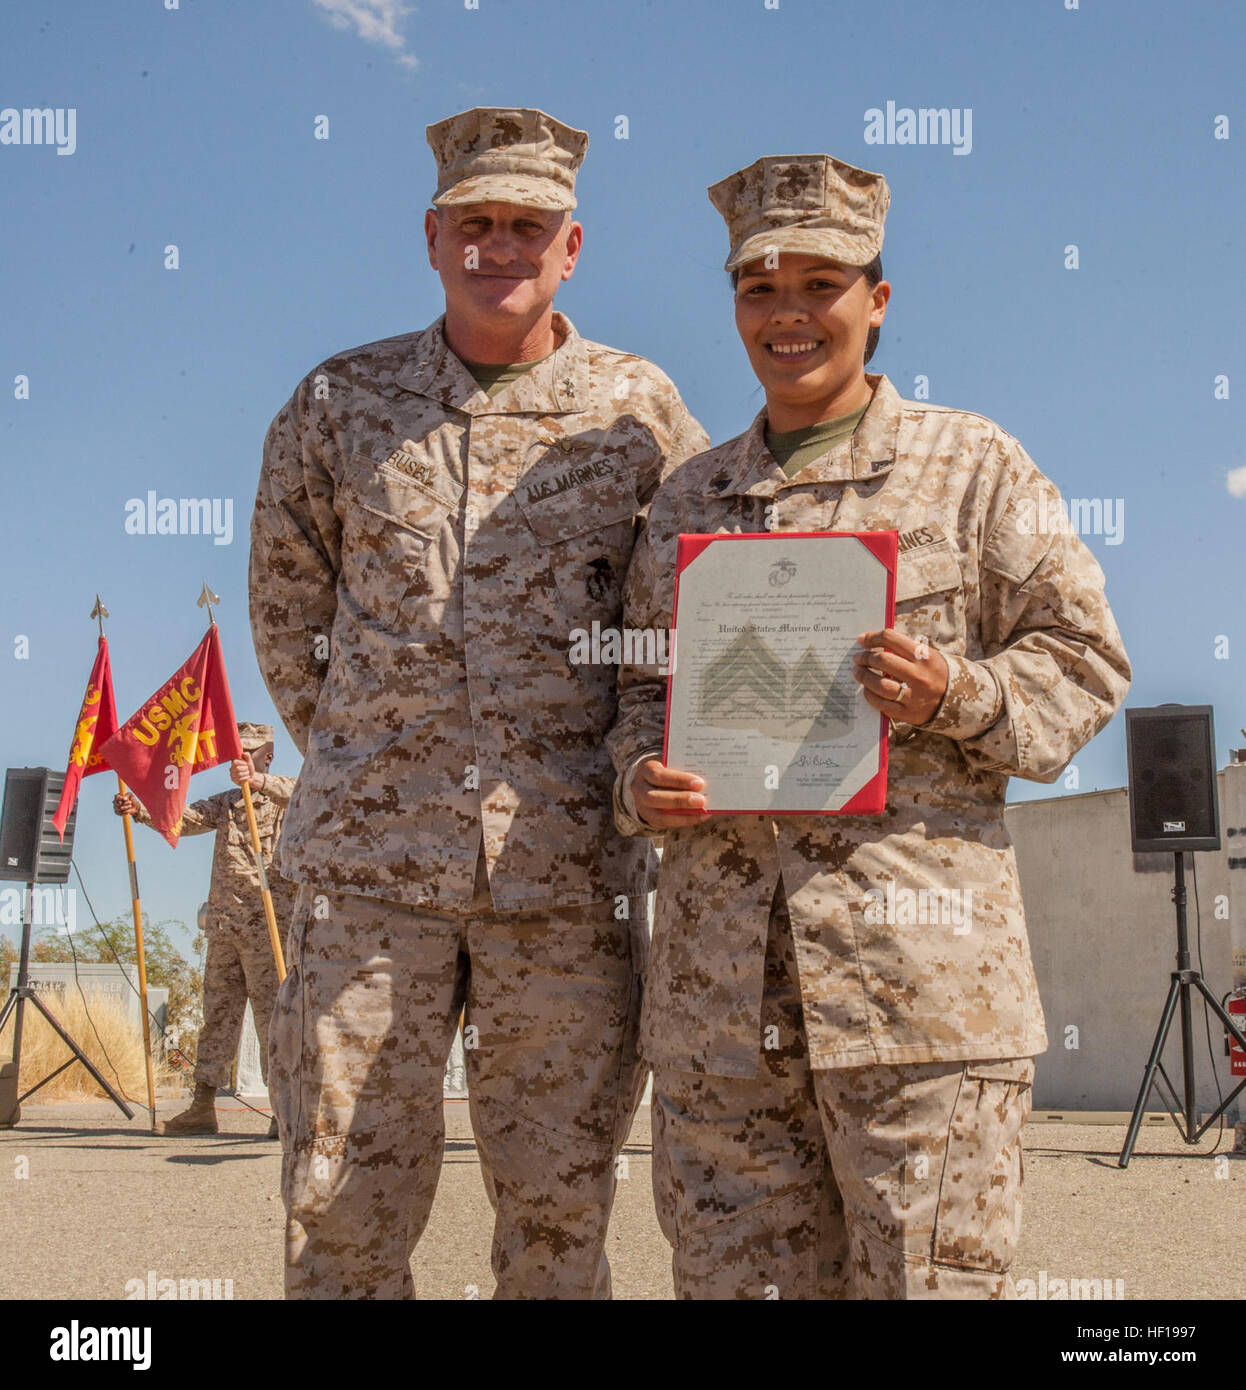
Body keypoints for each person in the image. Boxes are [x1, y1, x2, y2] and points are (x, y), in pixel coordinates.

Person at [607, 153, 1132, 1299]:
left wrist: (955, 692)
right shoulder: (687, 501)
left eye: (822, 283)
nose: (788, 314)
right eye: (759, 289)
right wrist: (637, 778)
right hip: (721, 1018)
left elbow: (1086, 666)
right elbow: (637, 694)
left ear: (876, 300)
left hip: (921, 1004)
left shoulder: (971, 468)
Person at [249, 106, 708, 1300]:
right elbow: (287, 614)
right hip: (367, 880)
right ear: (433, 236)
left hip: (562, 881)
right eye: (476, 224)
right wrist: (367, 761)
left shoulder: (636, 411)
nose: (499, 245)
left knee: (559, 1217)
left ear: (572, 246)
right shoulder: (339, 404)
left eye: (528, 225)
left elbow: (682, 620)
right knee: (339, 1209)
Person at [113, 721, 295, 1138]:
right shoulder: (229, 803)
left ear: (267, 756)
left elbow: (305, 792)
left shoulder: (286, 800)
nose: (242, 759)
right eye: (239, 752)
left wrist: (261, 782)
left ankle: (284, 1108)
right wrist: (139, 810)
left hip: (269, 932)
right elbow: (184, 818)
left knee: (274, 1019)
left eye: (251, 752)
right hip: (225, 927)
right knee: (217, 1015)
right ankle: (202, 1105)